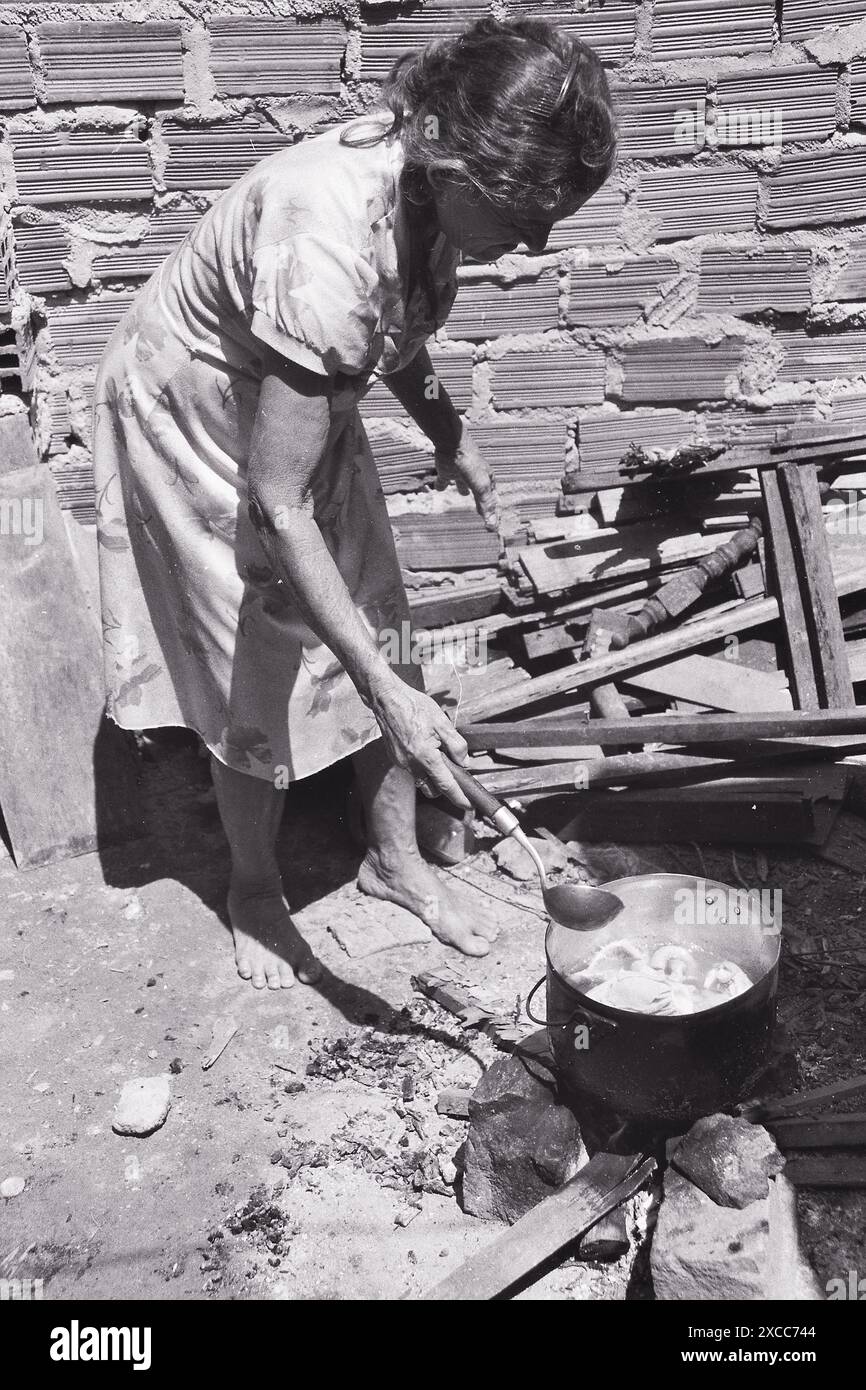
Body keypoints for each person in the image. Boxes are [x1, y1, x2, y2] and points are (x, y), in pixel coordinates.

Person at [93, 16, 617, 990]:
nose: (536, 242)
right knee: (254, 651)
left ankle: (392, 859)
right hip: (190, 409)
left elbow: (397, 326)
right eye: (525, 213)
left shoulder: (424, 191)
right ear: (447, 161)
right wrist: (386, 690)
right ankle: (254, 887)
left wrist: (455, 441)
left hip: (293, 396)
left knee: (382, 615)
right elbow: (276, 499)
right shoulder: (323, 240)